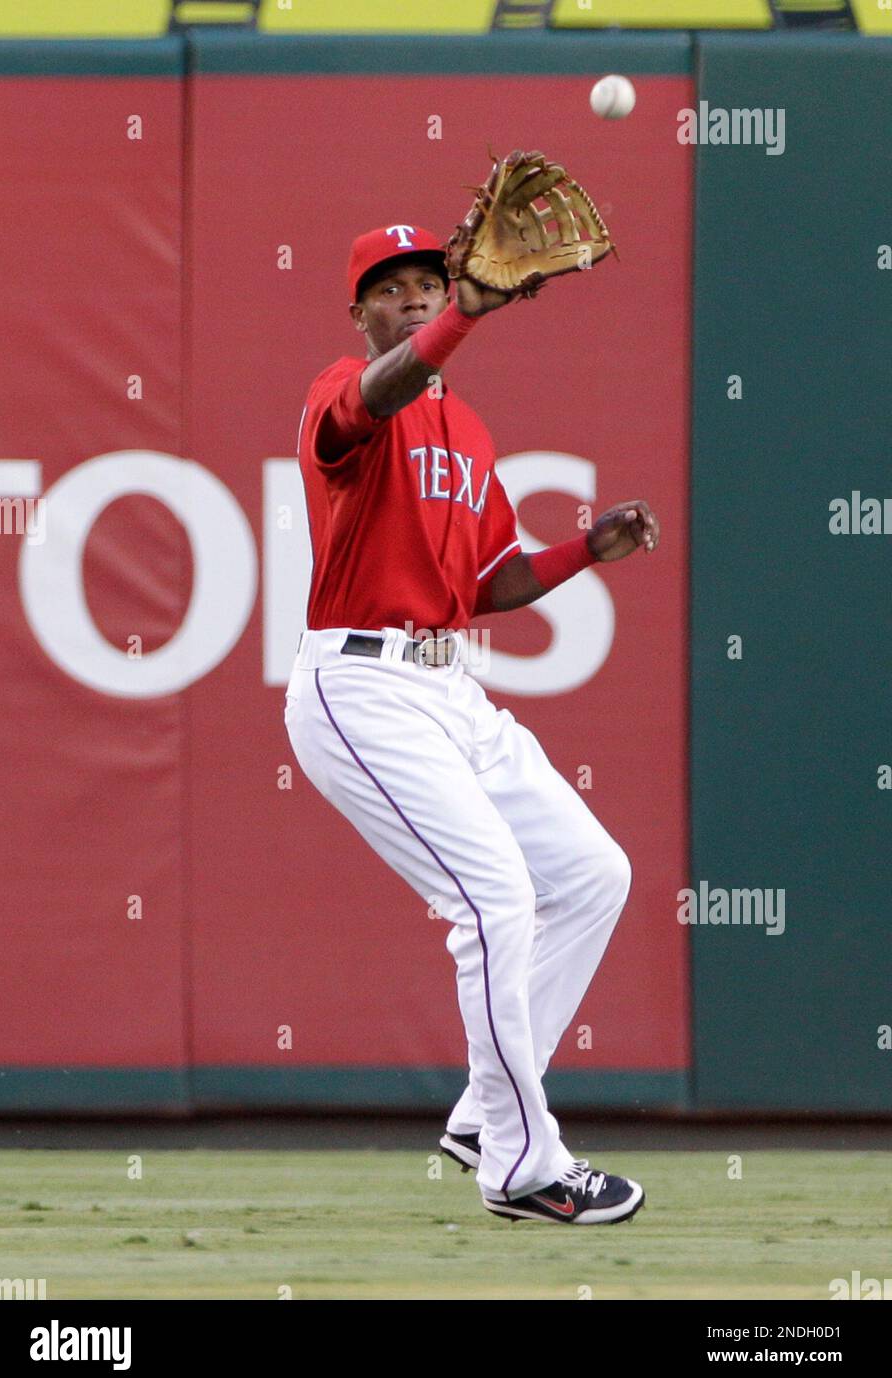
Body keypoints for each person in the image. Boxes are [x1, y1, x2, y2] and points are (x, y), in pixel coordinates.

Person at [285, 223, 659, 1226]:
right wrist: (461, 316)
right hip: (359, 683)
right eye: (390, 288)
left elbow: (491, 580)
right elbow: (369, 403)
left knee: (592, 873)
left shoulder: (470, 433)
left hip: (451, 687)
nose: (410, 297)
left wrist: (586, 548)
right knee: (493, 900)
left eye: (426, 282)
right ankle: (524, 1163)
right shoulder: (343, 389)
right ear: (358, 312)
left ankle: (482, 1112)